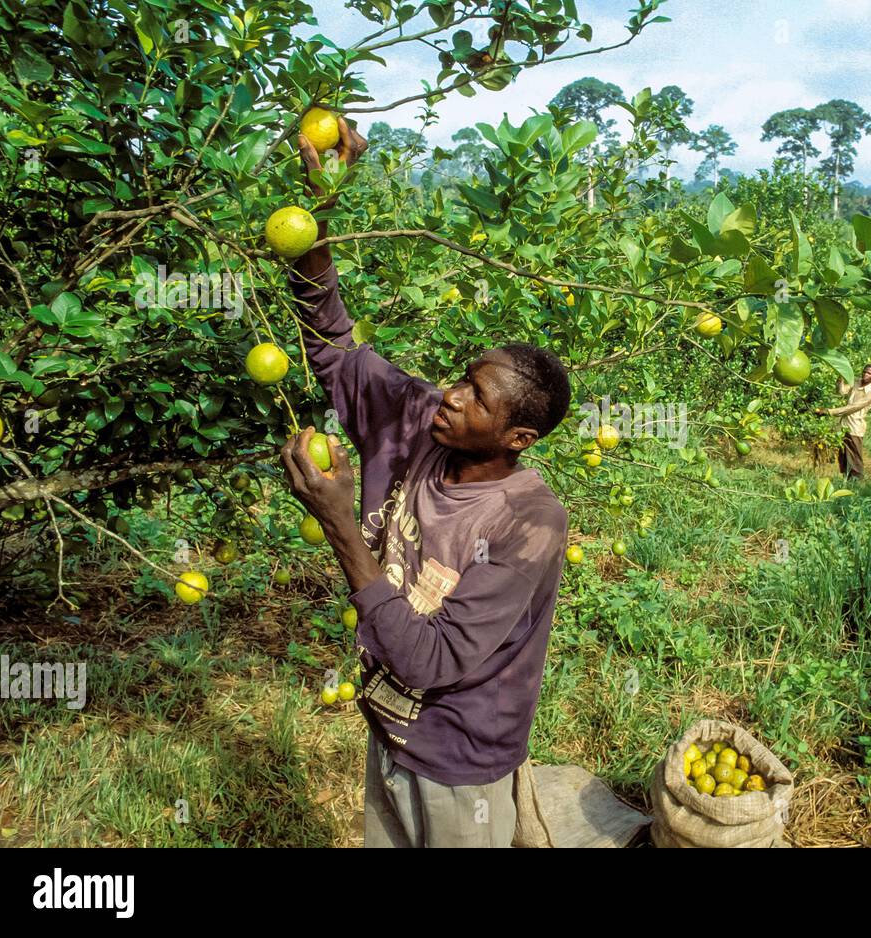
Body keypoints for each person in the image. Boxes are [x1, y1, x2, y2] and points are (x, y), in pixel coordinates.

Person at [279, 116, 570, 847]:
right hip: (387, 724)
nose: (450, 395)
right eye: (461, 380)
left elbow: (432, 660)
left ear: (517, 438)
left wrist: (341, 524)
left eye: (477, 398)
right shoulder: (418, 423)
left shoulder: (528, 524)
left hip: (458, 762)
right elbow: (335, 350)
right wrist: (314, 218)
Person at [815, 364, 871, 479]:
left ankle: (858, 481)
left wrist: (829, 411)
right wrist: (840, 378)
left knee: (854, 456)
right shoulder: (857, 382)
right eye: (864, 372)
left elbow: (852, 407)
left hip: (855, 427)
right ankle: (847, 480)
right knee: (843, 455)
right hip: (844, 424)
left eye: (869, 373)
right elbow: (842, 392)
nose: (865, 374)